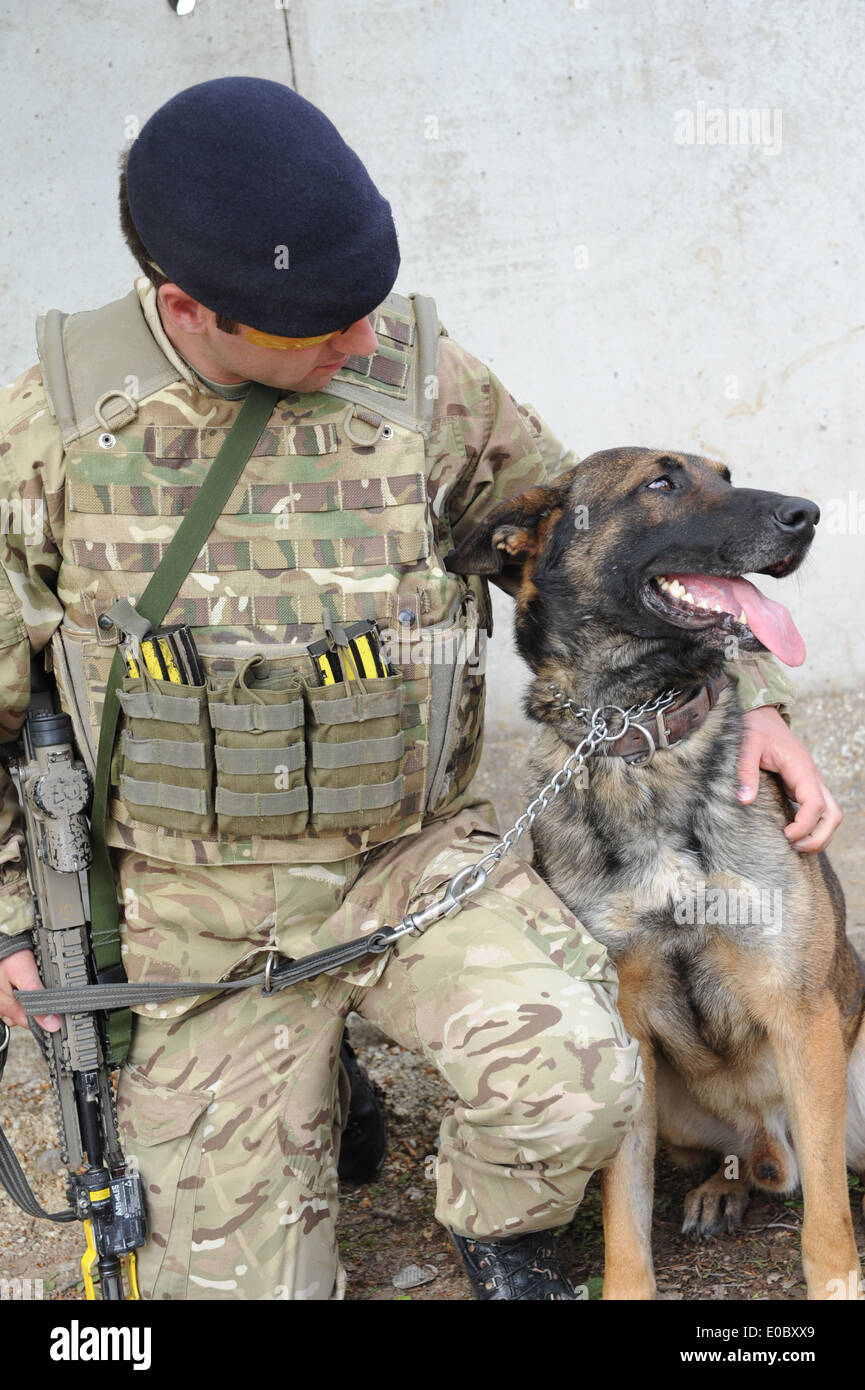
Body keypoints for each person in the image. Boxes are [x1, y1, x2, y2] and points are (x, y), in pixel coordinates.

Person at [0, 77, 840, 1301]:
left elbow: (605, 546)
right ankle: (308, 1077)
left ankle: (491, 1215)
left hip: (409, 860)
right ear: (190, 308)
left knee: (582, 1077)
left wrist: (754, 694)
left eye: (366, 307)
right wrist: (16, 920)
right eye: (321, 330)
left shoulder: (416, 377)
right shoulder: (53, 435)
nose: (360, 341)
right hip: (197, 908)